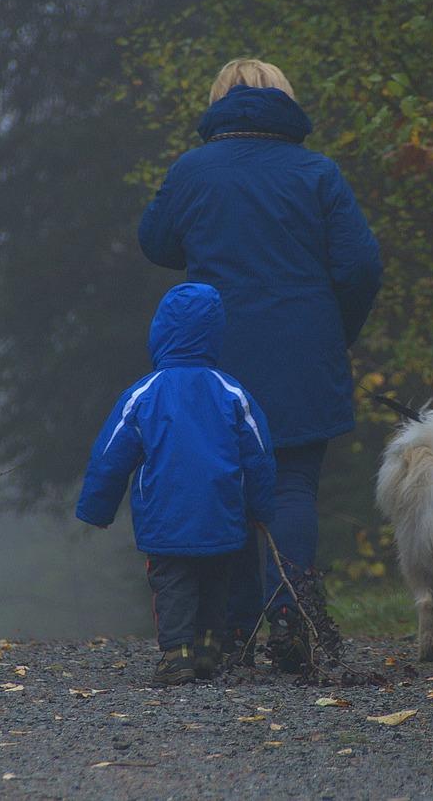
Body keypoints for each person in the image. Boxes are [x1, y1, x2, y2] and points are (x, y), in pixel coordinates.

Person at [137, 59, 382, 670]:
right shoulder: (317, 173)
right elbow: (361, 266)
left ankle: (238, 630)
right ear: (287, 103)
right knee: (292, 485)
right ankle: (293, 612)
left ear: (218, 103)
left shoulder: (192, 171)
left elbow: (156, 242)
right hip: (304, 353)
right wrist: (335, 330)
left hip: (217, 357)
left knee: (229, 487)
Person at [76, 283, 276, 686]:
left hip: (165, 515)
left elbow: (111, 456)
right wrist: (260, 509)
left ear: (160, 331)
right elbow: (258, 455)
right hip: (221, 511)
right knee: (216, 581)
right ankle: (208, 648)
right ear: (215, 333)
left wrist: (97, 508)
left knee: (172, 583)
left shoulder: (145, 393)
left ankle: (176, 655)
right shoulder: (232, 392)